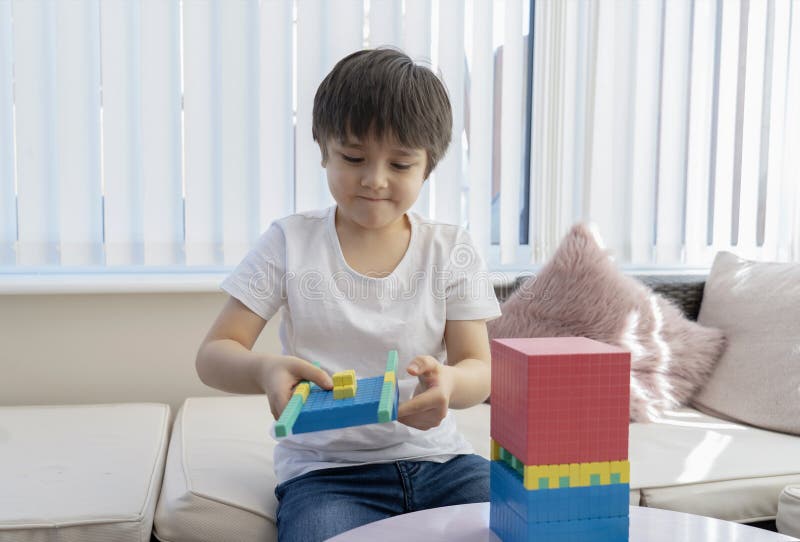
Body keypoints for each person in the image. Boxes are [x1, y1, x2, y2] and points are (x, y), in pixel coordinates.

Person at [196, 47, 501, 542]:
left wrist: (449, 383)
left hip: (443, 462)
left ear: (427, 167)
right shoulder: (289, 242)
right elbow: (214, 355)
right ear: (324, 150)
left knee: (530, 525)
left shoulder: (451, 248)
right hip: (326, 475)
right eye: (354, 158)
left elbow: (479, 369)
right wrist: (265, 369)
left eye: (400, 164)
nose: (374, 180)